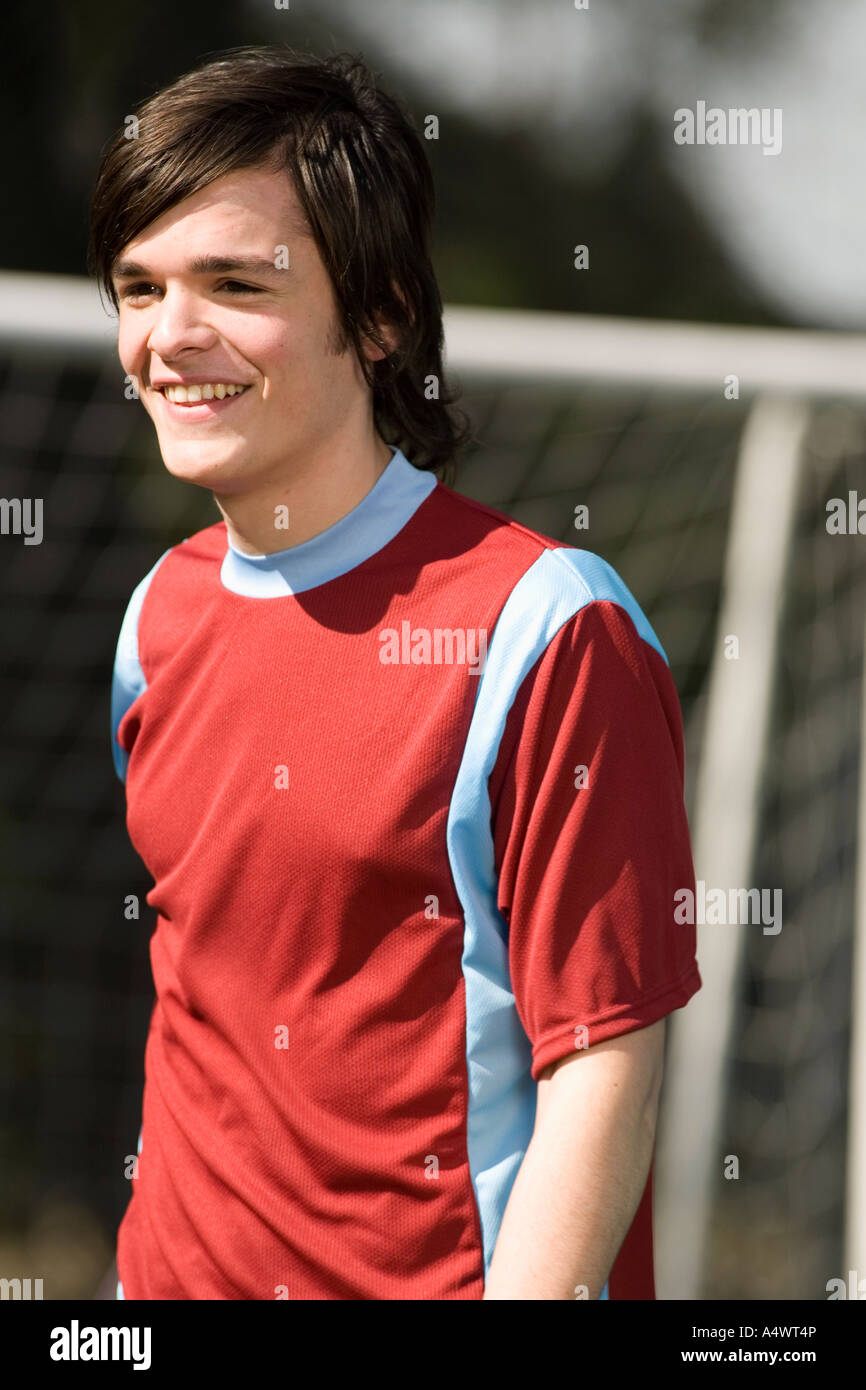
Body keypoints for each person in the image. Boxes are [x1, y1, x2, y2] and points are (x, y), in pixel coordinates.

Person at [89, 44, 701, 1301]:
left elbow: (603, 1070)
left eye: (232, 283)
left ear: (377, 316)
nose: (171, 336)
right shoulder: (154, 619)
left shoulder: (544, 628)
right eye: (138, 288)